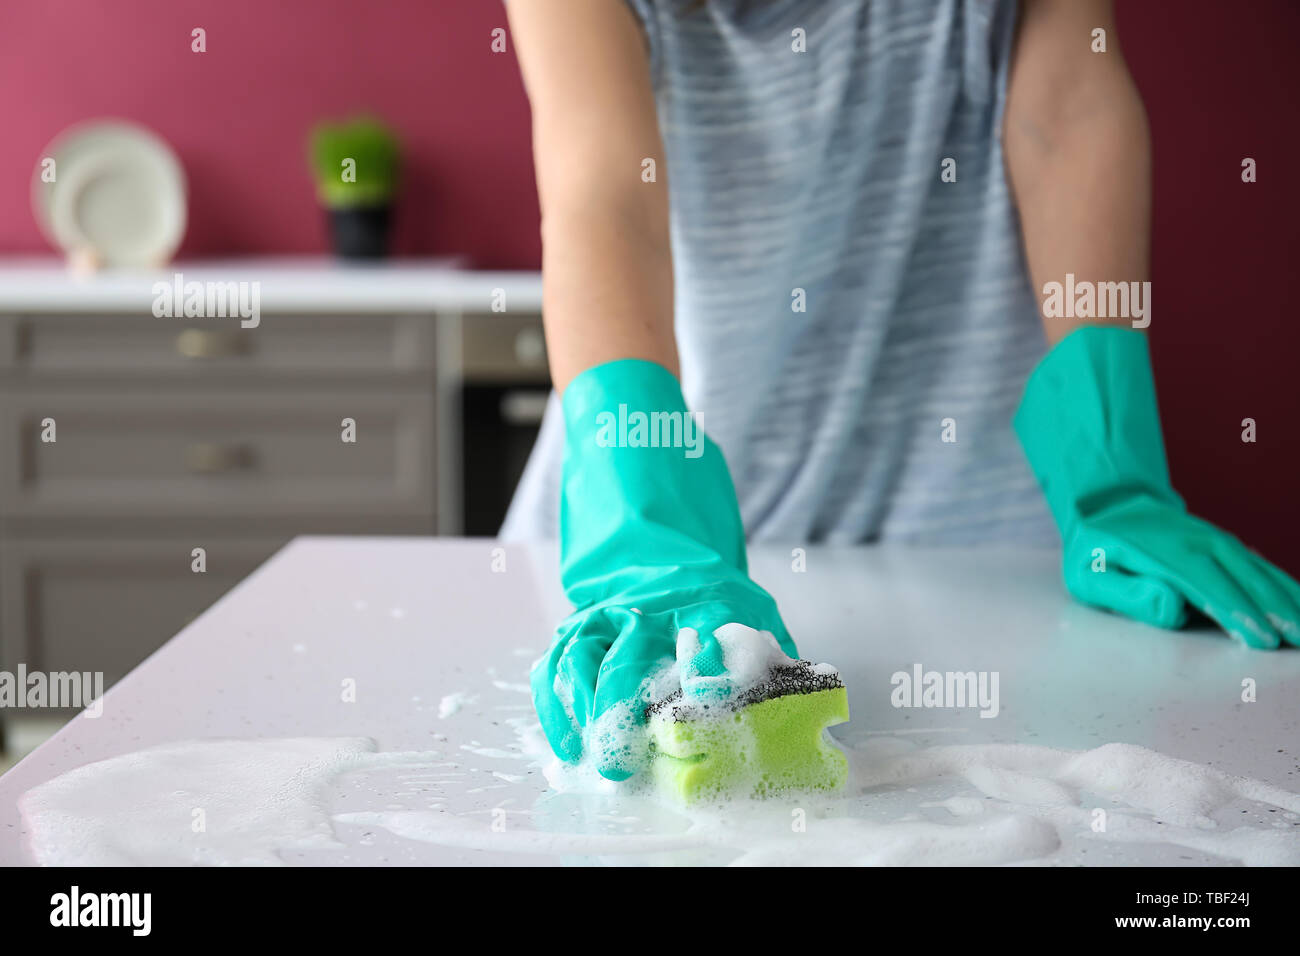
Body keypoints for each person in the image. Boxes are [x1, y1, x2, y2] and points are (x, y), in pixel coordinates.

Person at [500, 0, 1300, 779]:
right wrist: (648, 529)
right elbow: (603, 191)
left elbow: (1069, 111)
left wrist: (1112, 465)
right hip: (676, 524)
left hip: (984, 543)